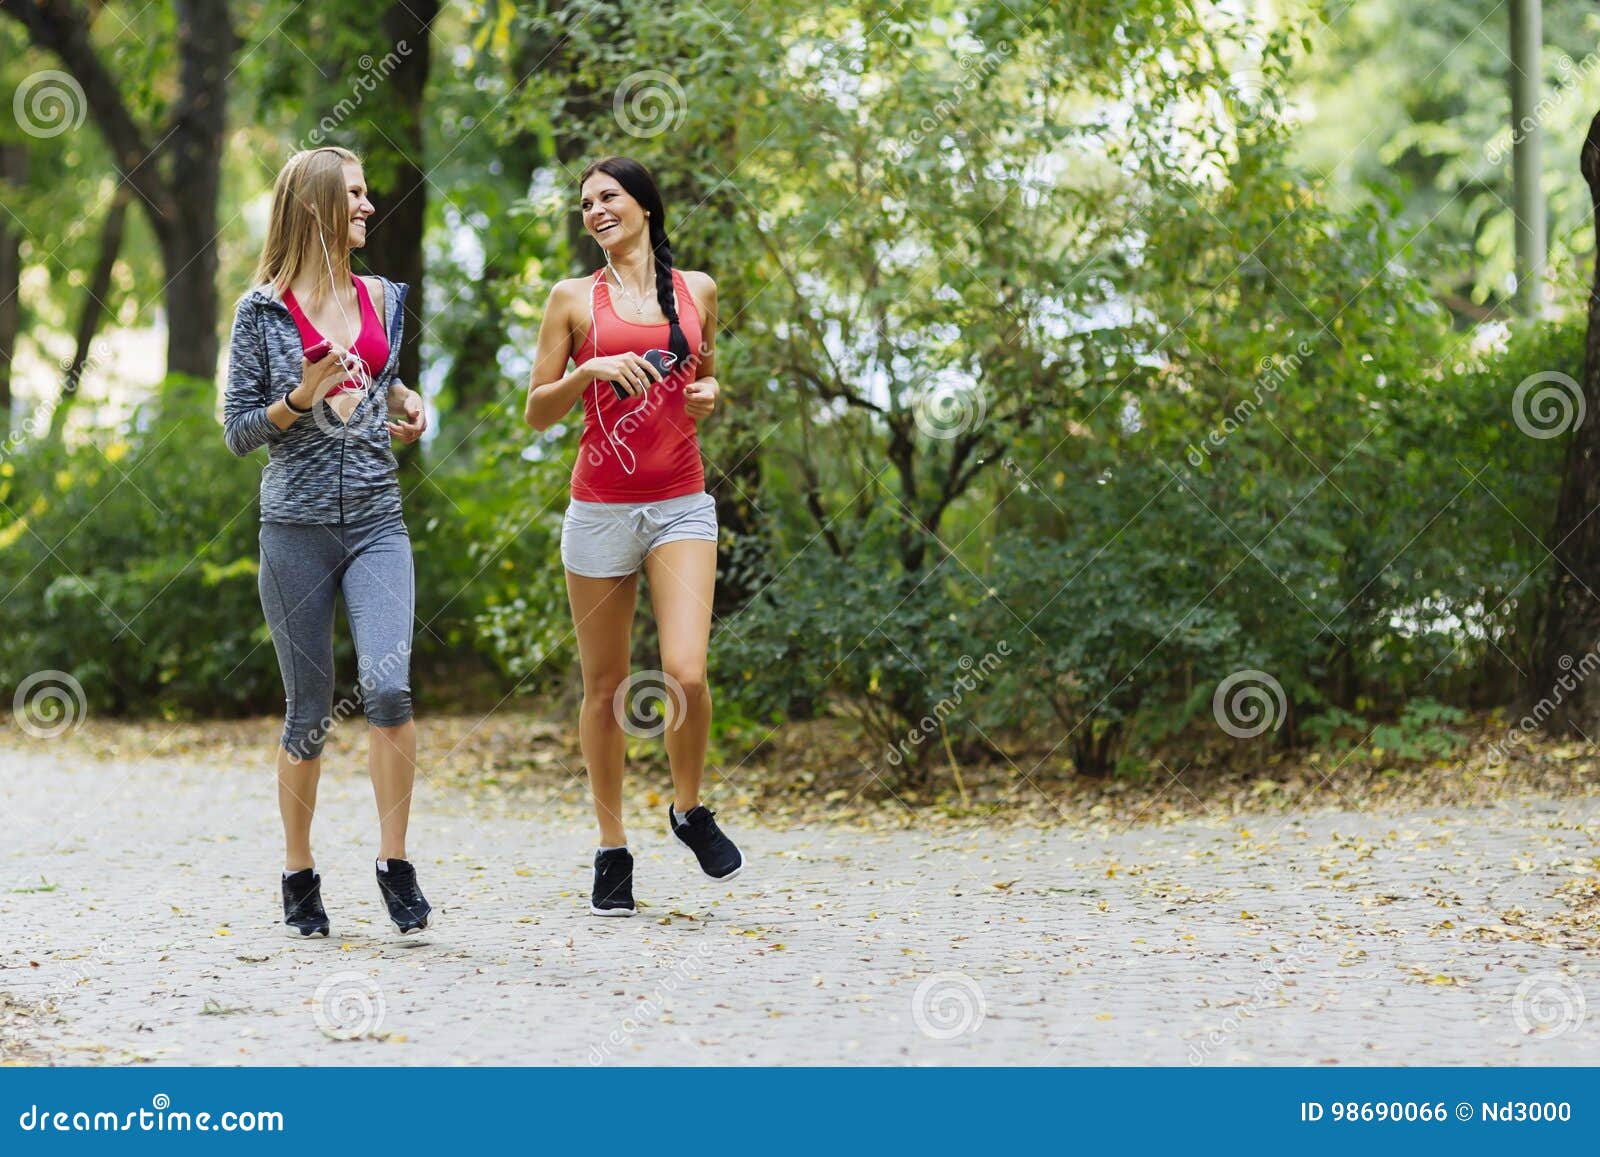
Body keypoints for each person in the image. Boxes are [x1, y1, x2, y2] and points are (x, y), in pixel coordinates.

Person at [525, 156, 744, 917]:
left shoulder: (698, 290)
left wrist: (712, 391)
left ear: (644, 205)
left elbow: (705, 377)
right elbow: (537, 412)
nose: (593, 210)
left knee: (684, 673)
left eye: (607, 197)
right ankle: (612, 847)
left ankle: (688, 809)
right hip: (600, 510)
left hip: (681, 503)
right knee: (605, 688)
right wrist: (589, 373)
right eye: (585, 203)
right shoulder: (571, 300)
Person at [221, 146, 432, 937]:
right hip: (295, 532)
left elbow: (386, 380)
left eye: (368, 193)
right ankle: (299, 871)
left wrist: (409, 401)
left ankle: (394, 861)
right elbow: (241, 432)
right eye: (355, 194)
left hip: (379, 522)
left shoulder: (383, 294)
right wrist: (299, 398)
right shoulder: (261, 311)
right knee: (309, 710)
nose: (370, 206)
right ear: (316, 207)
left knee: (388, 688)